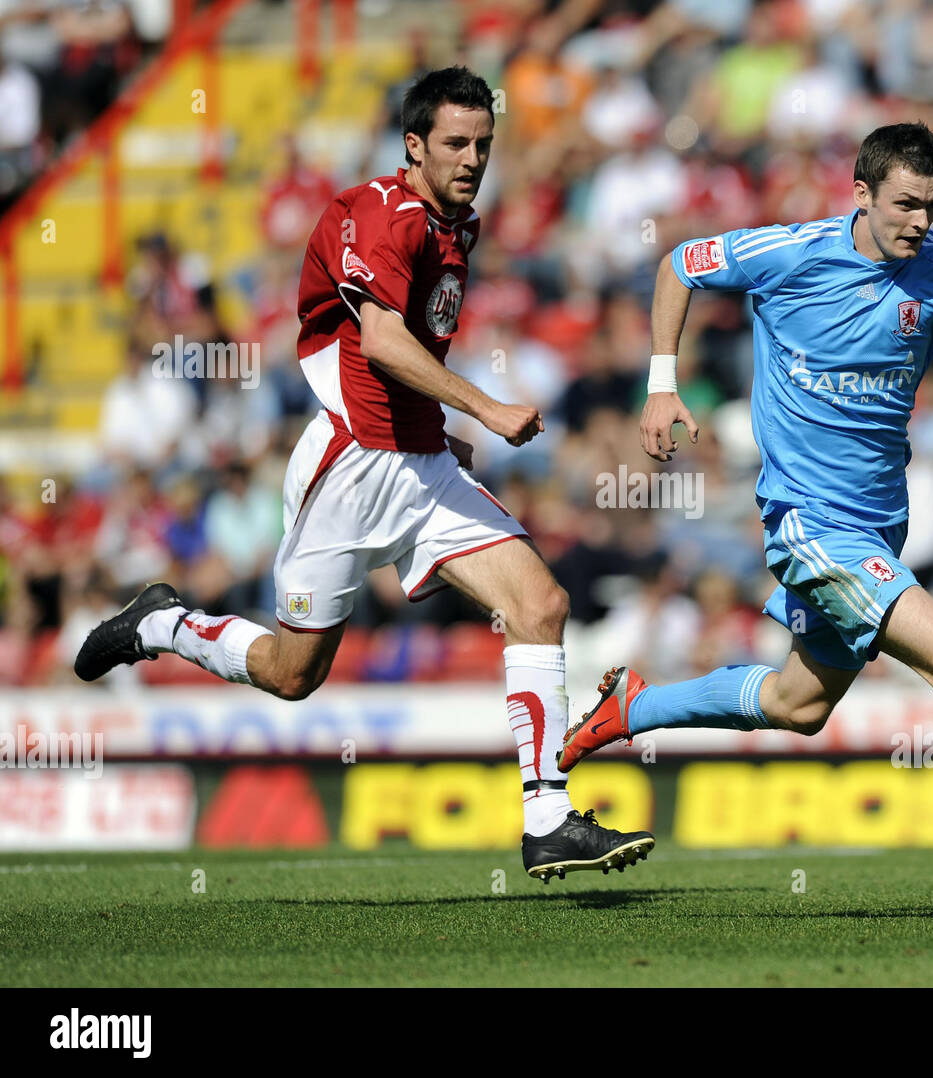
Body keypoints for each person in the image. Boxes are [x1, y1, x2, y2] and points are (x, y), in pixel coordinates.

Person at [75, 66, 651, 884]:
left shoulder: (459, 224)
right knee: (292, 674)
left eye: (483, 143)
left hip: (417, 464)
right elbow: (379, 342)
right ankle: (161, 625)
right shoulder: (389, 214)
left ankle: (547, 819)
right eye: (455, 142)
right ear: (413, 143)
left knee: (541, 604)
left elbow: (401, 355)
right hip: (348, 468)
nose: (473, 158)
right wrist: (483, 411)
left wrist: (435, 434)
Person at [560, 122, 933, 905]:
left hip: (880, 527)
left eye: (932, 206)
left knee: (797, 705)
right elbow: (679, 264)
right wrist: (661, 384)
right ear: (863, 194)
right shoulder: (793, 252)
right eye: (905, 204)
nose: (919, 221)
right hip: (810, 524)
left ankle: (637, 705)